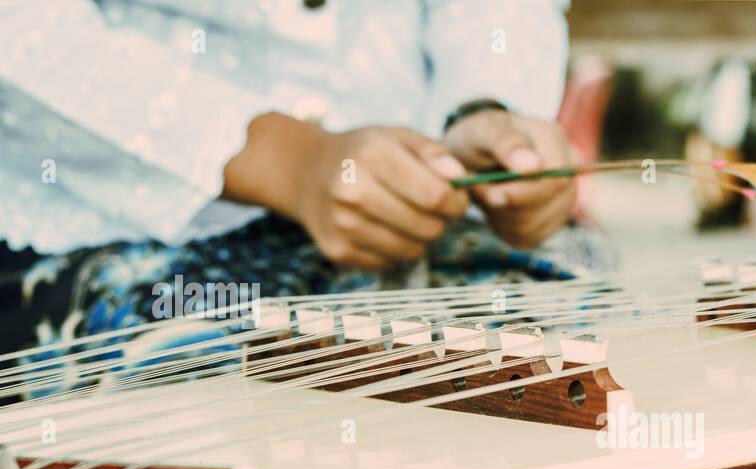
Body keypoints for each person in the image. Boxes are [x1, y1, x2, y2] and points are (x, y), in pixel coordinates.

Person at [0, 0, 608, 389]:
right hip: (105, 215)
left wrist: (484, 111)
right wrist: (288, 162)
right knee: (196, 376)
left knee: (585, 327)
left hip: (409, 186)